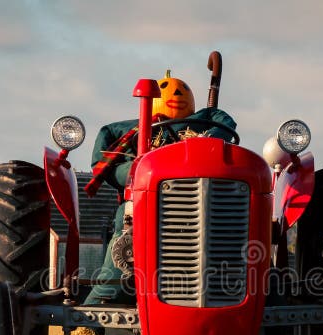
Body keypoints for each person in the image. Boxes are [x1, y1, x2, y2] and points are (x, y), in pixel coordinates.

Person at [84, 71, 237, 304]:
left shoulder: (209, 124)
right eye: (169, 90)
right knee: (124, 232)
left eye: (181, 90)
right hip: (146, 209)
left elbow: (223, 127)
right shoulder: (135, 133)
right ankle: (91, 319)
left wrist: (194, 147)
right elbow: (112, 167)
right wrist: (144, 168)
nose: (176, 94)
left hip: (207, 205)